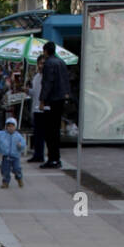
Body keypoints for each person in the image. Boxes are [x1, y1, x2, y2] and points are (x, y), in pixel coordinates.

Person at [40, 41, 70, 170]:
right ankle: (56, 158)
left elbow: (48, 82)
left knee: (49, 130)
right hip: (61, 99)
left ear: (46, 51)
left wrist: (42, 99)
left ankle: (52, 158)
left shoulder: (49, 63)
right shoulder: (61, 62)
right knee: (56, 130)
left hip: (52, 100)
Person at [0, 116, 25, 188]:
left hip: (15, 156)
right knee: (5, 170)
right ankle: (5, 182)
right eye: (8, 126)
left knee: (17, 169)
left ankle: (19, 178)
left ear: (15, 127)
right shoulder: (3, 134)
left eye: (12, 126)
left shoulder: (18, 136)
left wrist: (20, 145)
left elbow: (23, 143)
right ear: (6, 127)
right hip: (6, 156)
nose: (10, 128)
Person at [27, 54, 46, 163]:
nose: (41, 66)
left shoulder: (47, 77)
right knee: (37, 133)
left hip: (43, 108)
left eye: (43, 63)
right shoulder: (36, 77)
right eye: (39, 63)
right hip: (35, 107)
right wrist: (27, 90)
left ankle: (40, 155)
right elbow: (34, 92)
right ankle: (37, 154)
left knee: (41, 133)